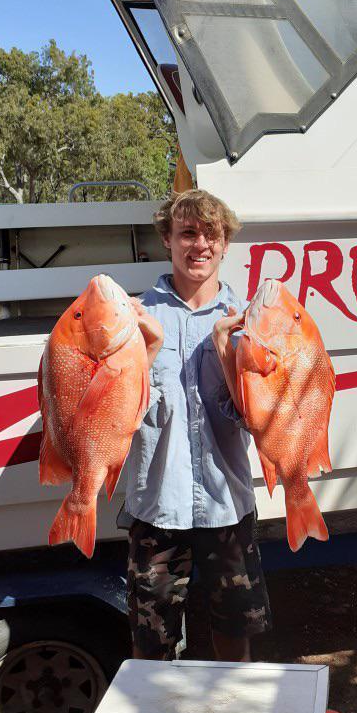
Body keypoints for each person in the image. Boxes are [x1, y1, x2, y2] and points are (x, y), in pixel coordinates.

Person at [123, 189, 271, 662]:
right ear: (167, 239)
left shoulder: (250, 321)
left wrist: (227, 354)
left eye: (211, 234)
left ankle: (233, 711)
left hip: (227, 507)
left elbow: (257, 421)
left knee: (234, 636)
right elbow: (121, 416)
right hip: (157, 509)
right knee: (152, 646)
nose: (200, 244)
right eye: (188, 233)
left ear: (225, 244)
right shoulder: (134, 318)